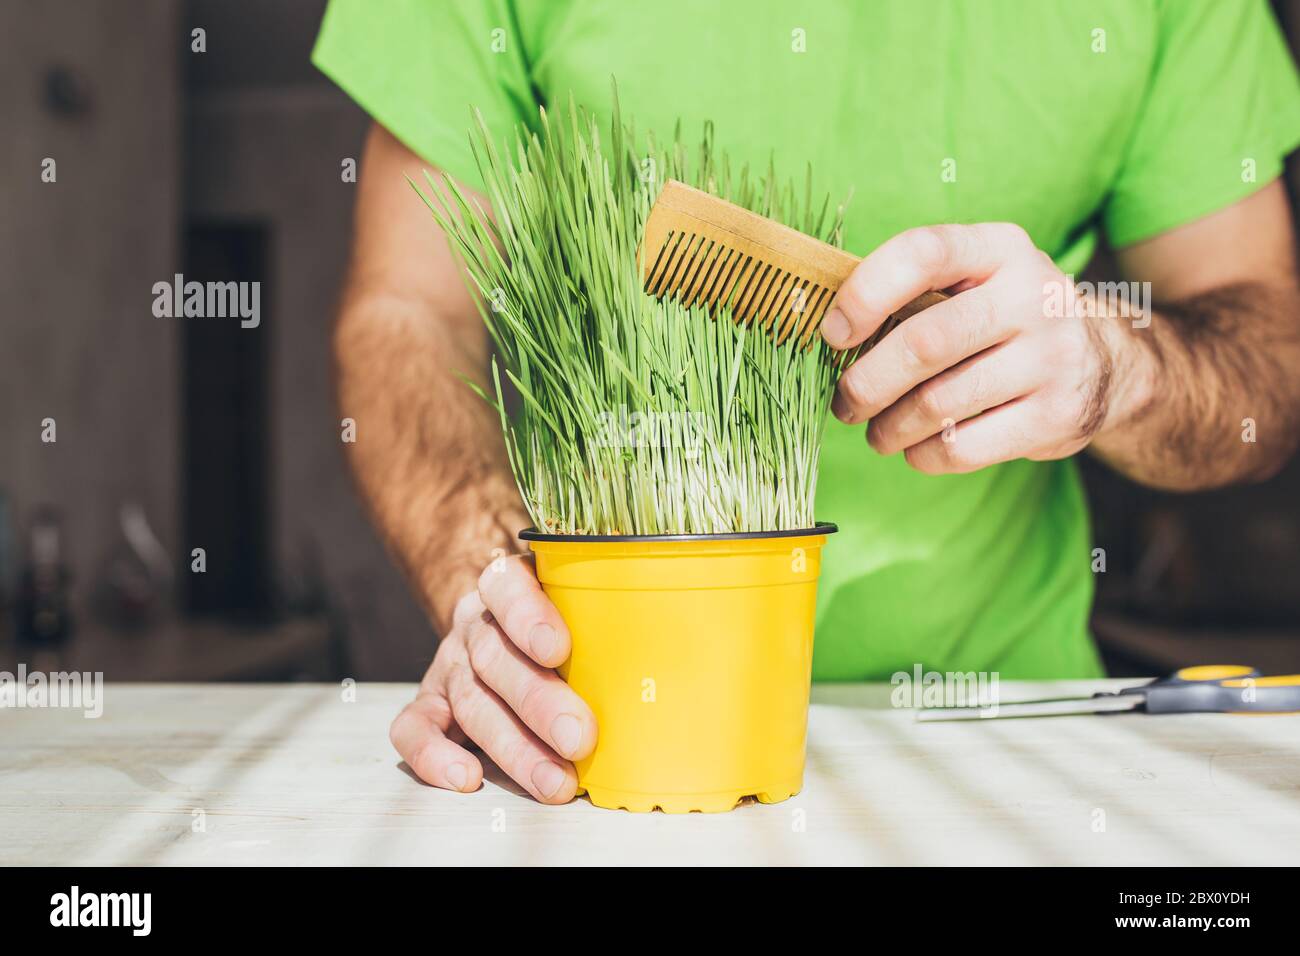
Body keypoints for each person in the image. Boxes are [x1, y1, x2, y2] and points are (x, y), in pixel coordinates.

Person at [313, 0, 1300, 803]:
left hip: (996, 729)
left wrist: (1113, 367)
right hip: (610, 728)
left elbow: (1270, 359)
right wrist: (491, 586)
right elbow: (409, 310)